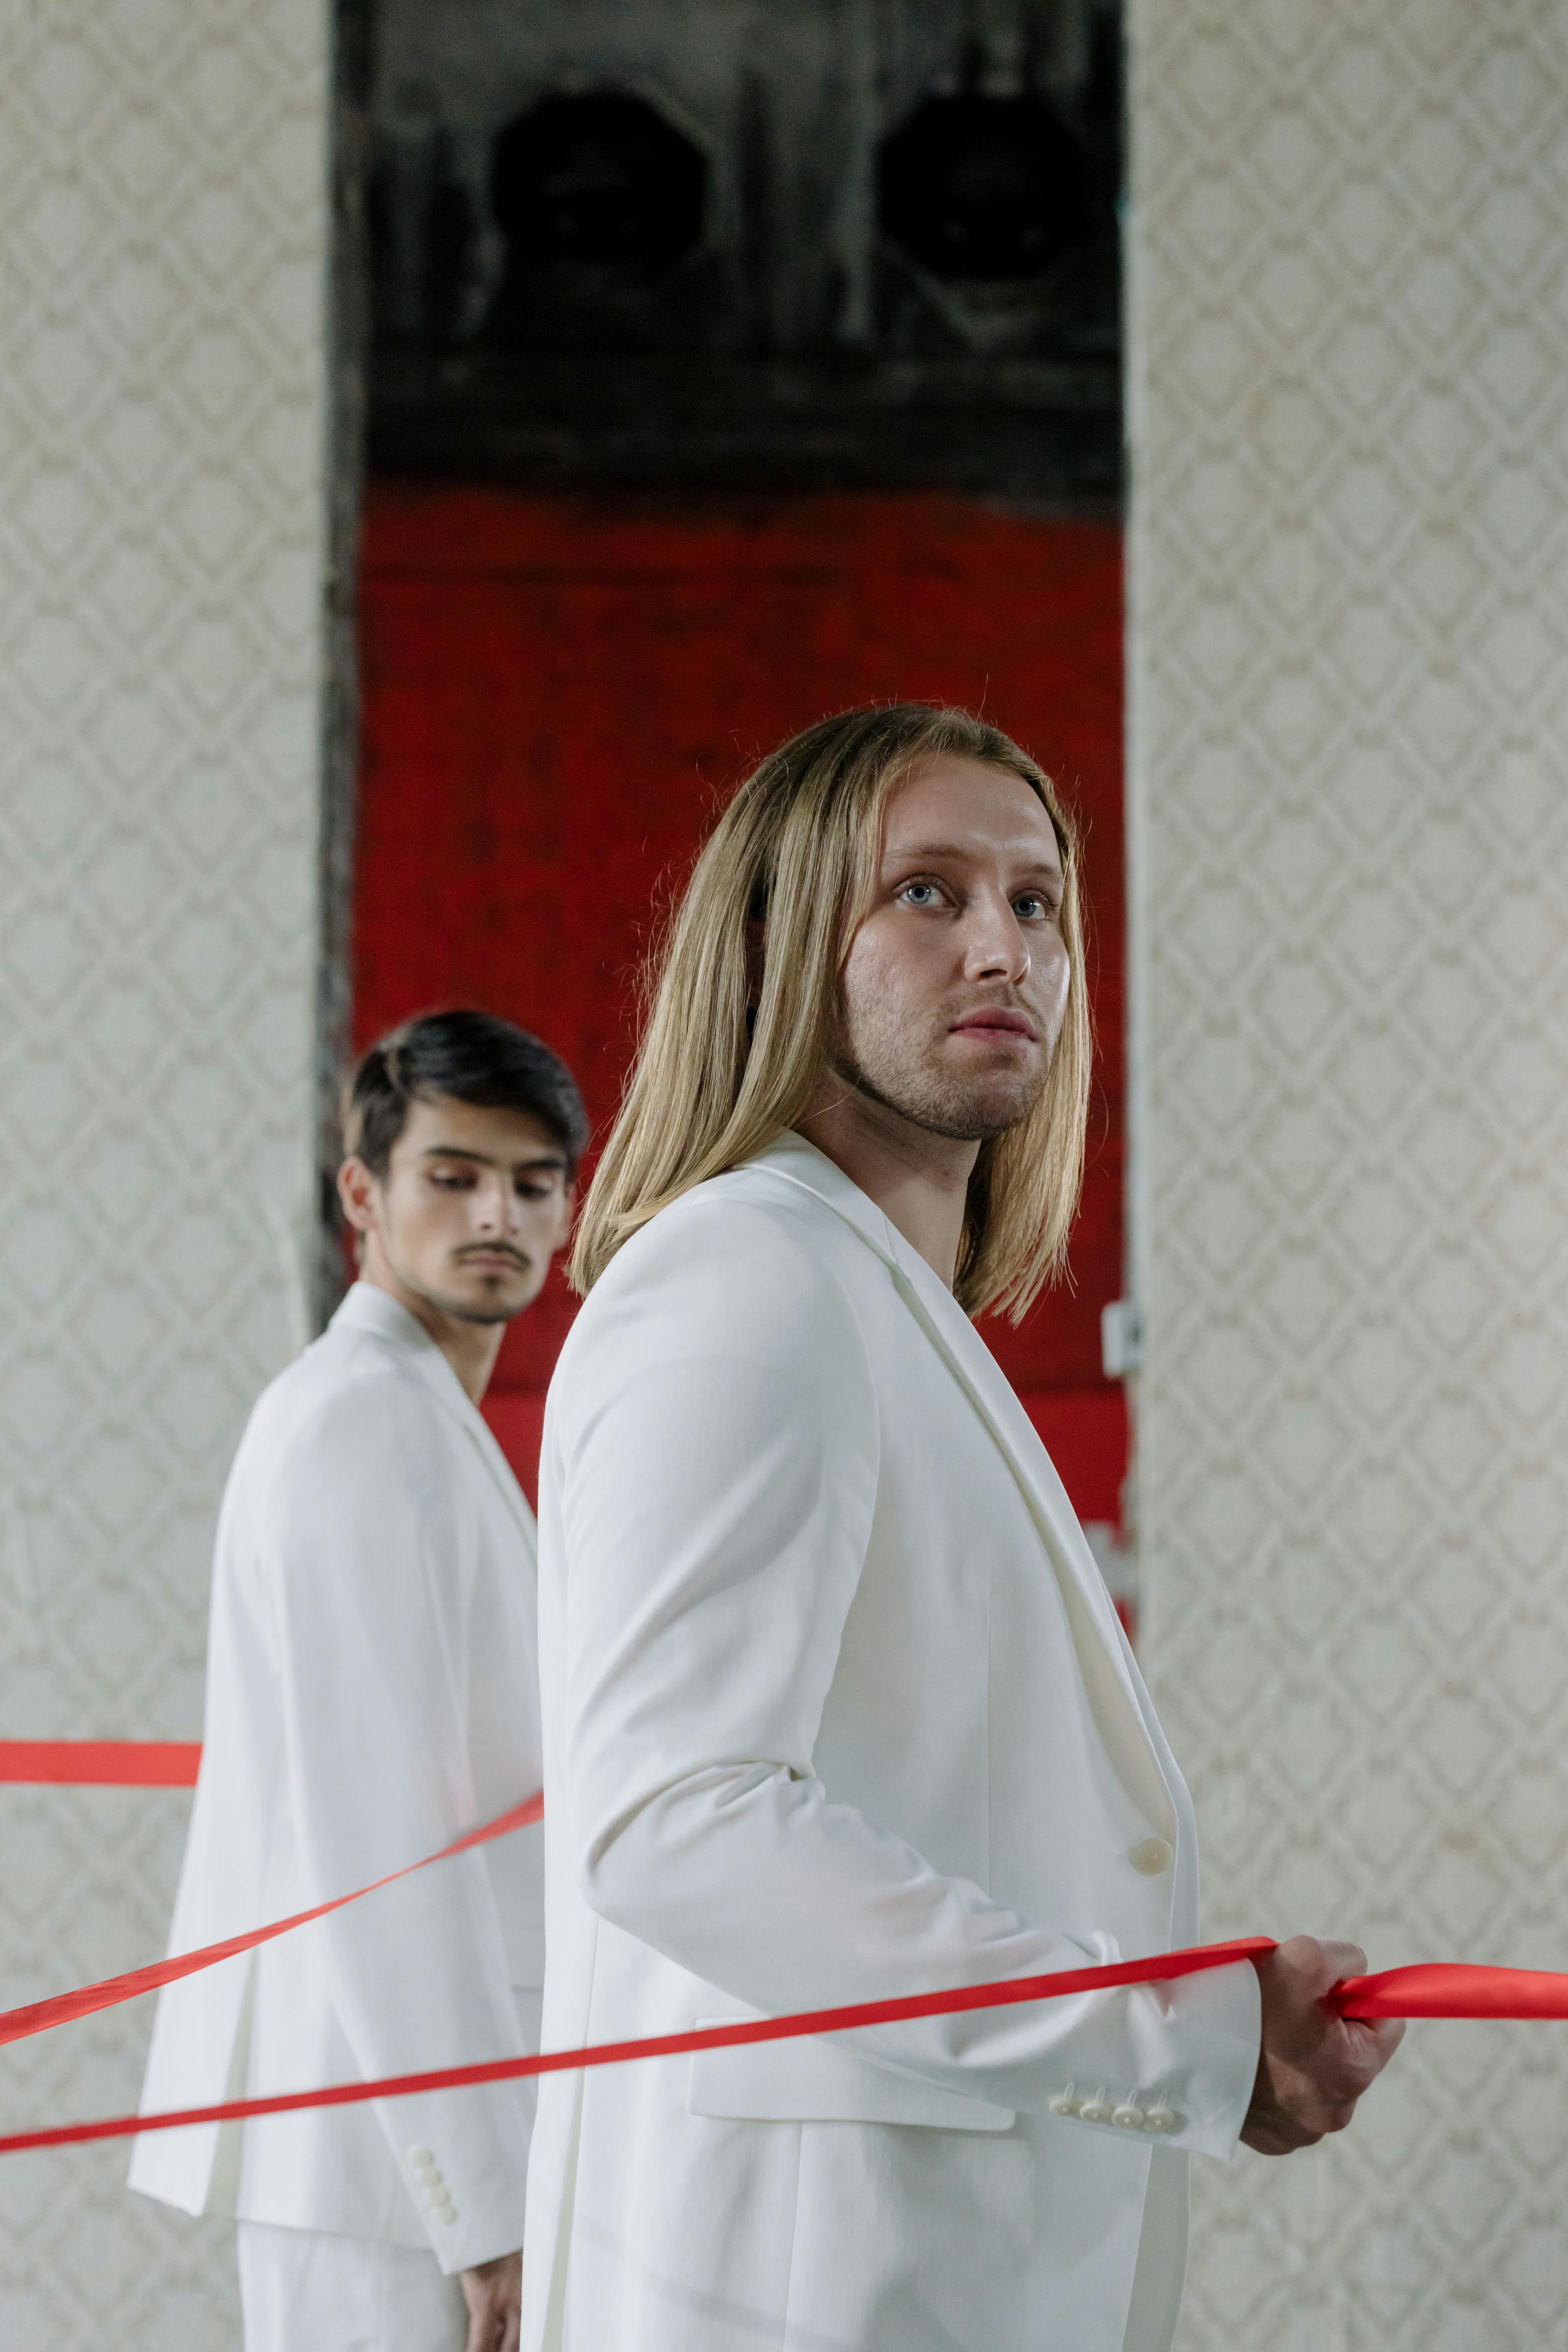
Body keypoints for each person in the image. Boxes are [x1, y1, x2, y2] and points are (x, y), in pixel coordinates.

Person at [518, 705, 1403, 2352]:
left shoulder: (868, 1297)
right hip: (808, 2292)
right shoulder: (748, 1279)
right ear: (780, 945)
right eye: (922, 892)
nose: (997, 943)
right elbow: (676, 1821)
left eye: (1033, 901)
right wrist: (1176, 2039)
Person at [130, 1008, 587, 2352]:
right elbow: (382, 1840)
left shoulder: (420, 1420)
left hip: (413, 2139)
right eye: (452, 1175)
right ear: (362, 1193)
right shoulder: (359, 1425)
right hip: (388, 2158)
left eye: (531, 1180)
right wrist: (483, 2207)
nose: (496, 1212)